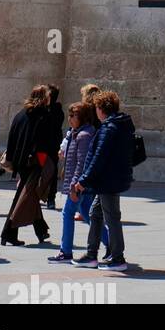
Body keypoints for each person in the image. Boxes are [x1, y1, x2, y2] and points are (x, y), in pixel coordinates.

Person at [71, 89, 135, 272]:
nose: (95, 111)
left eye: (97, 107)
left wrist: (83, 180)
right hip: (111, 179)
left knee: (112, 218)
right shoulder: (119, 125)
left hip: (109, 180)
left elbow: (99, 157)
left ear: (102, 109)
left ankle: (117, 258)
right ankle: (91, 254)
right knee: (95, 213)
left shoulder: (109, 128)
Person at [0, 85, 60, 246]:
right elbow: (43, 142)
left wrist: (13, 160)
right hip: (34, 161)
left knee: (29, 194)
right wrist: (42, 164)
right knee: (25, 195)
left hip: (21, 161)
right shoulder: (43, 115)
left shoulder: (21, 114)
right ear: (44, 98)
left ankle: (40, 230)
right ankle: (8, 232)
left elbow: (12, 138)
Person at [49, 102, 97, 263]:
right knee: (89, 215)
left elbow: (81, 163)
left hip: (77, 185)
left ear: (82, 118)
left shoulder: (83, 135)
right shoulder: (77, 133)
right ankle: (111, 245)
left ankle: (66, 251)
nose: (69, 119)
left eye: (73, 116)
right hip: (80, 184)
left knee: (67, 214)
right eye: (69, 115)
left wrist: (74, 185)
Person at [44, 85, 64, 209]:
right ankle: (49, 197)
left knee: (46, 171)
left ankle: (50, 197)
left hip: (47, 146)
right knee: (51, 171)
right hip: (53, 145)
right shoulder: (58, 111)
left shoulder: (51, 111)